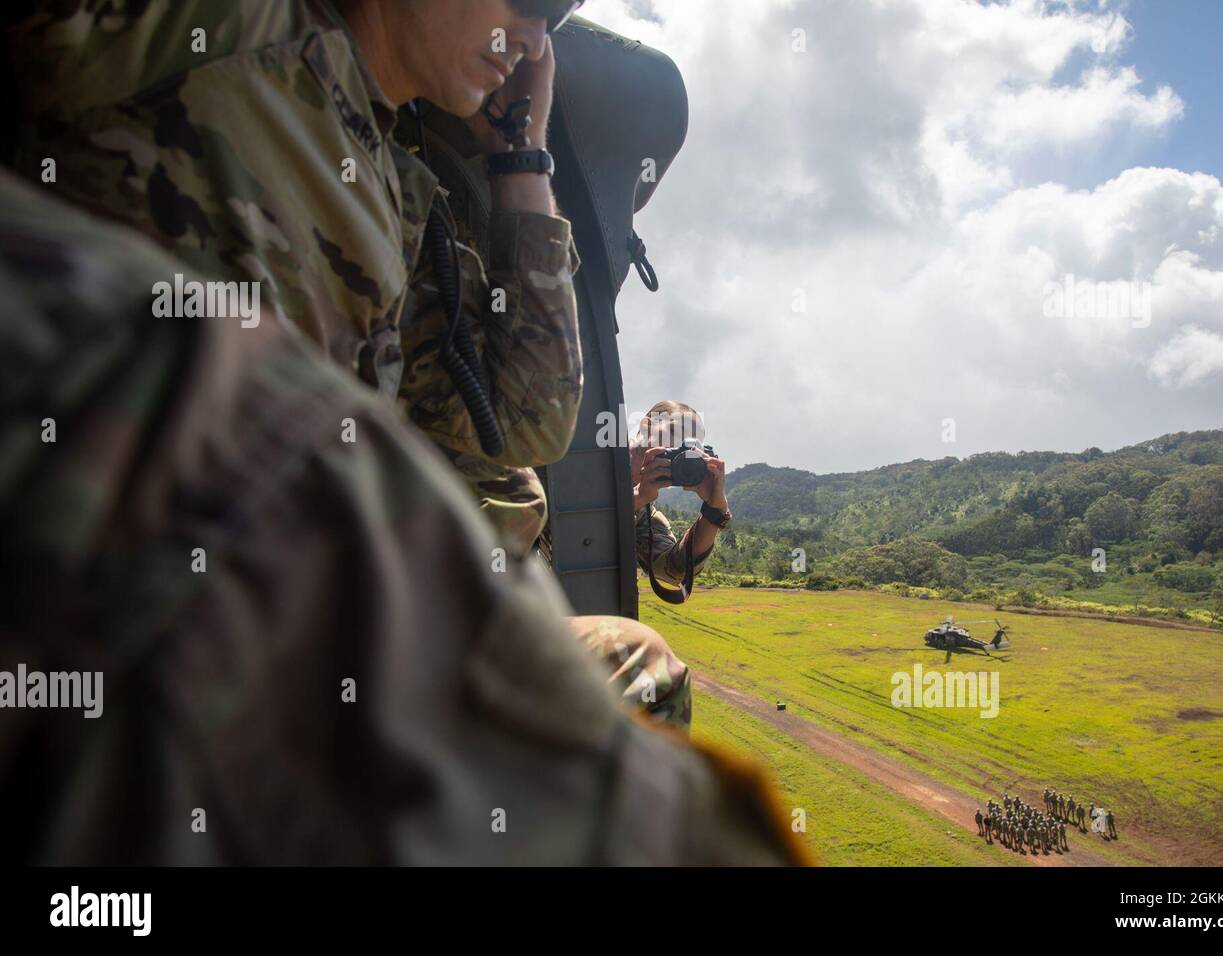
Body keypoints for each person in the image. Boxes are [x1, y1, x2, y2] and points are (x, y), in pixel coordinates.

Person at [0, 168, 806, 866]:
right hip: (450, 609)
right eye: (662, 445)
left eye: (679, 450)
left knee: (641, 670)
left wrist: (714, 509)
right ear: (635, 436)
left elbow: (671, 581)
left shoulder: (634, 504)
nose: (668, 457)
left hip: (513, 628)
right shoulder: (551, 440)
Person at [7, 0, 583, 557]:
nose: (534, 40)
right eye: (532, 0)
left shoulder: (399, 201)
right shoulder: (223, 25)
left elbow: (527, 420)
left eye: (556, 18)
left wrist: (521, 153)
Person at [631, 402, 730, 599]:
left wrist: (713, 511)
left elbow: (675, 570)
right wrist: (637, 498)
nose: (681, 449)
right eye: (675, 432)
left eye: (692, 445)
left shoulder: (645, 509)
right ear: (646, 426)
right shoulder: (591, 455)